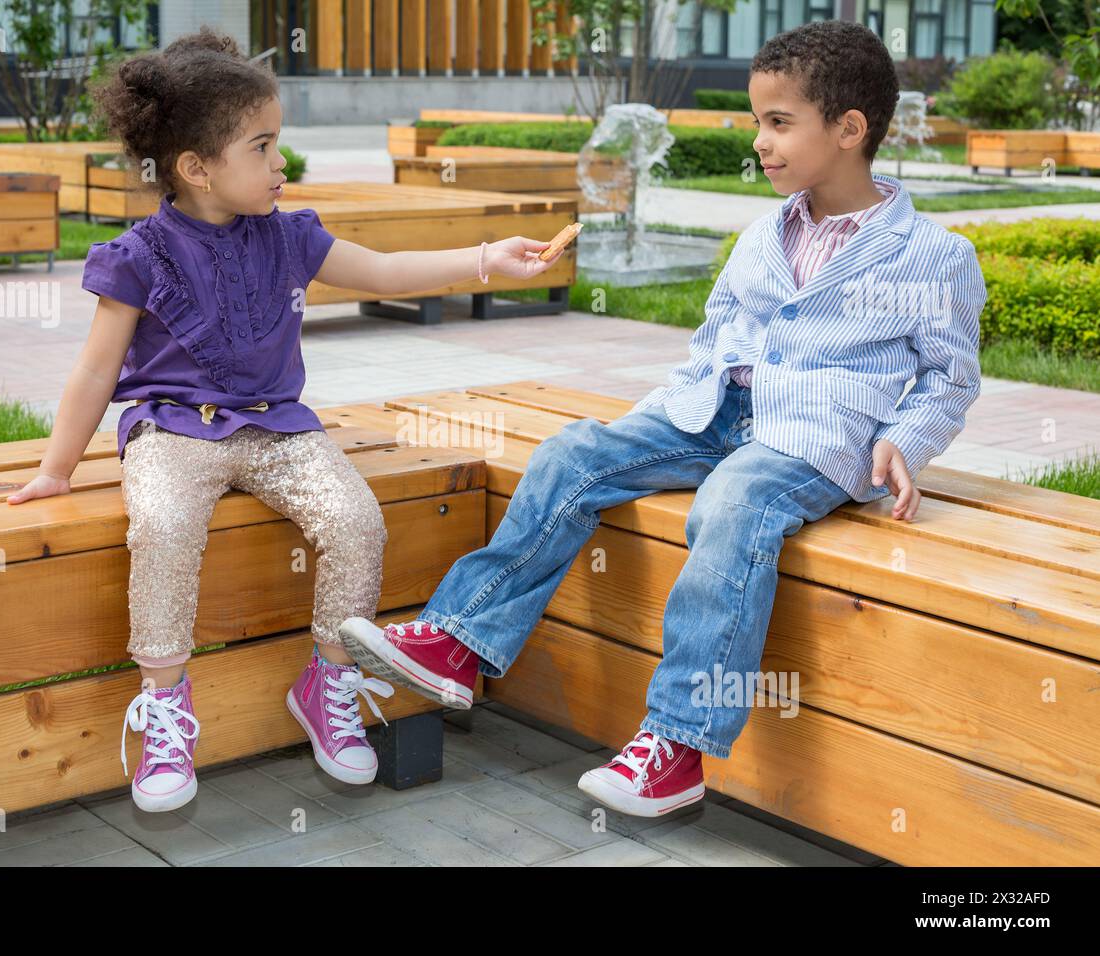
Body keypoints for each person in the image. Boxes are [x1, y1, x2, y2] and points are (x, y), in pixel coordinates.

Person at [341, 19, 986, 818]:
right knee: (576, 453)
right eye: (757, 122)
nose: (760, 141)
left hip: (818, 437)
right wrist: (659, 417)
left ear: (850, 130)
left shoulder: (934, 255)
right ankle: (459, 641)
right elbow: (717, 338)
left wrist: (904, 440)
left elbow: (949, 378)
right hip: (717, 411)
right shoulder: (764, 232)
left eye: (779, 123)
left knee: (733, 506)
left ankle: (675, 746)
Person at [6, 26, 564, 812]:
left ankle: (327, 682)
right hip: (174, 429)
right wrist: (56, 469)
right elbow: (97, 370)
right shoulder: (138, 255)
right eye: (263, 148)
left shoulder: (290, 235)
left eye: (280, 146)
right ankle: (167, 704)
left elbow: (384, 269)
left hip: (279, 427)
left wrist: (484, 259)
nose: (281, 165)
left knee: (355, 518)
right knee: (162, 526)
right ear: (197, 168)